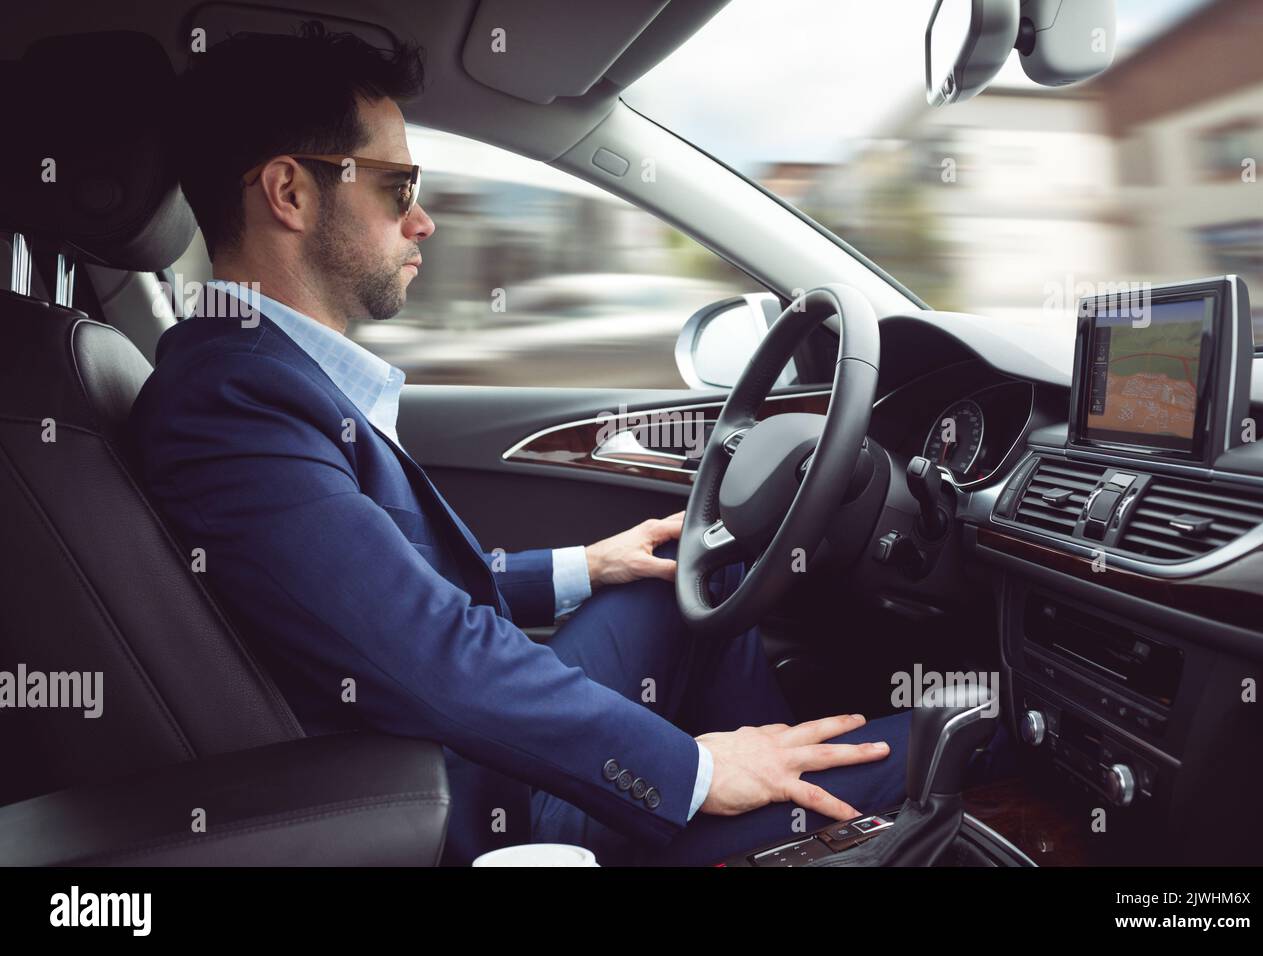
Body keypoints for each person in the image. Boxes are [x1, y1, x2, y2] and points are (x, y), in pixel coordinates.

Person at [128, 22, 924, 867]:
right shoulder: (232, 403)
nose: (424, 221)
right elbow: (426, 657)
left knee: (698, 572)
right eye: (399, 189)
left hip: (457, 756)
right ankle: (733, 814)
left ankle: (742, 823)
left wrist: (589, 564)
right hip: (458, 809)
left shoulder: (254, 373)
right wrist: (692, 770)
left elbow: (390, 597)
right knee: (951, 744)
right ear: (288, 193)